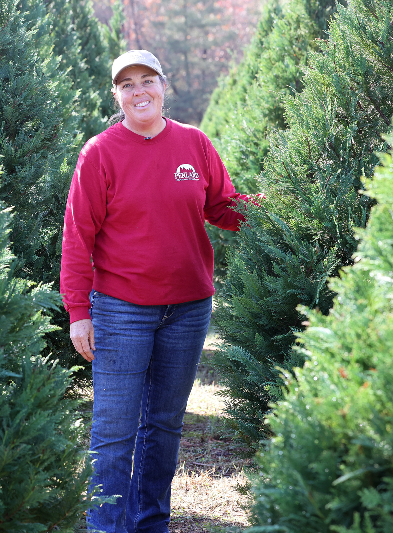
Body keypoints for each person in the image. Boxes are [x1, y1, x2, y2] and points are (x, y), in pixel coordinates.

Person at [60, 50, 256, 533]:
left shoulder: (195, 143)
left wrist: (275, 208)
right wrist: (77, 312)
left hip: (188, 310)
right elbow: (76, 238)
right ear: (116, 95)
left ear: (164, 86)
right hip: (122, 310)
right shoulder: (100, 153)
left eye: (147, 80)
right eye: (127, 84)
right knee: (113, 434)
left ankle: (150, 524)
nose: (139, 91)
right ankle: (105, 527)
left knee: (164, 427)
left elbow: (223, 208)